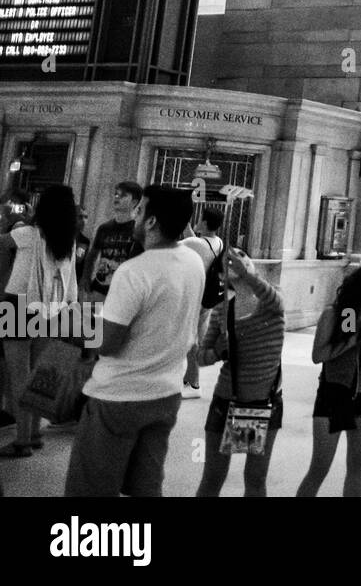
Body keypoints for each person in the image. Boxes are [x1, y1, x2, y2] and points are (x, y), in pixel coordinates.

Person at [64, 186, 205, 496]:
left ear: (151, 221)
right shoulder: (193, 262)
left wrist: (64, 328)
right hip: (165, 394)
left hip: (118, 398)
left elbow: (109, 342)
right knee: (146, 486)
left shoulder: (133, 272)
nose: (135, 217)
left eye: (139, 211)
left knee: (91, 488)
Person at [195, 246, 285, 497]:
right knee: (213, 477)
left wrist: (246, 275)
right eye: (229, 261)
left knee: (255, 479)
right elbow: (201, 357)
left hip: (262, 402)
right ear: (223, 276)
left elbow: (277, 302)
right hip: (227, 401)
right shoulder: (223, 310)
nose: (236, 261)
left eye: (242, 256)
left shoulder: (271, 300)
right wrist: (217, 353)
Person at [297, 261, 361, 497]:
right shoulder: (342, 313)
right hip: (336, 393)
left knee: (357, 466)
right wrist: (356, 337)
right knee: (320, 468)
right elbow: (320, 354)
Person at [0, 185, 78, 459]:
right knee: (38, 374)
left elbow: (2, 242)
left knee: (19, 374)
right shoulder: (68, 240)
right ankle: (33, 433)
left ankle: (21, 440)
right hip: (52, 308)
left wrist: (15, 216)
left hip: (19, 304)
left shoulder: (28, 233)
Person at [181, 208, 226, 399]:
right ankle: (189, 378)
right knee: (197, 338)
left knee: (191, 341)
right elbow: (197, 241)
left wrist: (182, 222)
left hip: (194, 297)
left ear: (205, 223)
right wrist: (188, 226)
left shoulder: (194, 243)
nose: (197, 222)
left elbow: (172, 245)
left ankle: (194, 383)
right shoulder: (219, 242)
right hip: (208, 298)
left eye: (200, 219)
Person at [0, 189, 33, 430]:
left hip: (13, 300)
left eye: (12, 205)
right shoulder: (59, 237)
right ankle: (30, 432)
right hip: (47, 304)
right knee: (31, 370)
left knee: (16, 369)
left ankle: (20, 431)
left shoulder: (22, 232)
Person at [84, 180, 144, 302]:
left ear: (134, 202)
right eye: (116, 194)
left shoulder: (138, 230)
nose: (117, 197)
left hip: (123, 292)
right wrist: (86, 277)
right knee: (88, 321)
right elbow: (92, 254)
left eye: (123, 195)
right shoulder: (104, 228)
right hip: (99, 287)